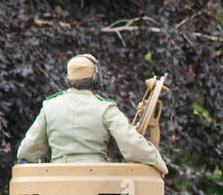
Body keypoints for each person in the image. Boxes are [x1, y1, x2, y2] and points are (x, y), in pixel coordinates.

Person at [17, 54, 168, 175]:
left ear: (67, 79)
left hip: (57, 181)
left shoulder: (49, 106)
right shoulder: (105, 108)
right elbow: (132, 145)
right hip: (96, 183)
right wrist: (157, 161)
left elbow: (28, 150)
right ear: (97, 79)